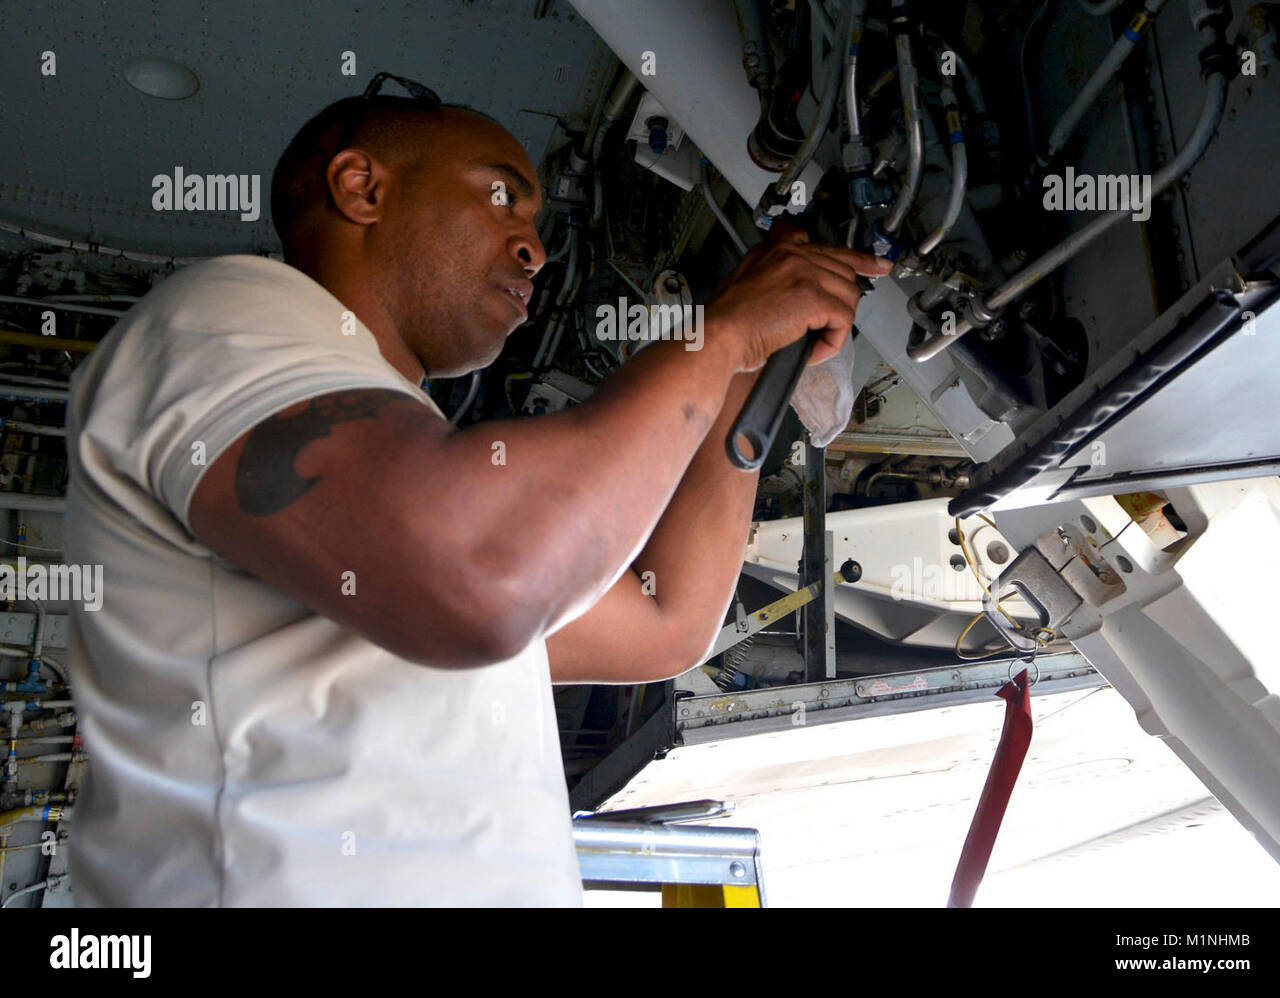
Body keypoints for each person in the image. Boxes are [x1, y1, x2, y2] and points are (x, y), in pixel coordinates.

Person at [63, 76, 889, 907]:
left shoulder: (390, 495)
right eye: (501, 197)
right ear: (363, 187)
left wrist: (744, 364)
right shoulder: (217, 317)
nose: (534, 248)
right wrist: (724, 333)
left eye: (534, 223)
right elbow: (480, 577)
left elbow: (663, 620)